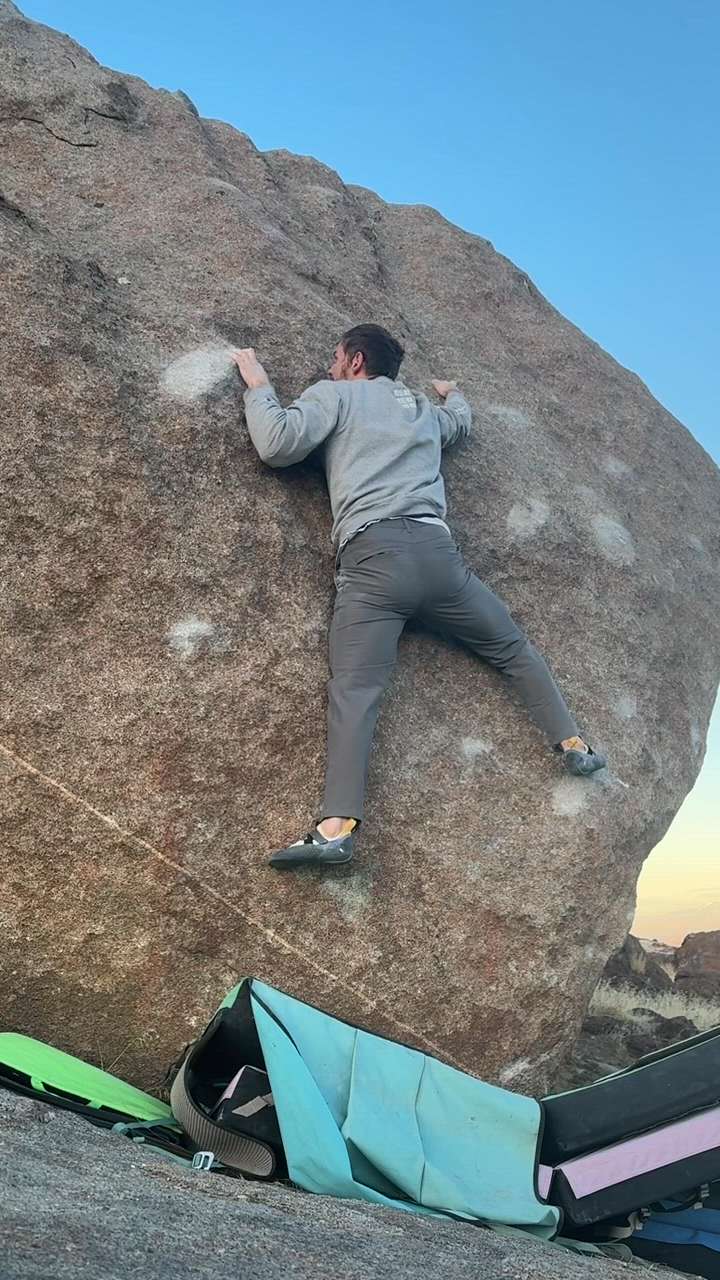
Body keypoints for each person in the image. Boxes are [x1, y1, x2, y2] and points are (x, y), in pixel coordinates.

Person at [232, 324, 606, 870]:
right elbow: (460, 422)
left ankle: (336, 829)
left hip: (373, 562)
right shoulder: (420, 412)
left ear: (356, 361)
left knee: (356, 690)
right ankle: (574, 746)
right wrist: (452, 391)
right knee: (512, 649)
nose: (330, 367)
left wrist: (259, 384)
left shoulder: (335, 395)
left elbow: (278, 444)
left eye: (335, 359)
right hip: (439, 559)